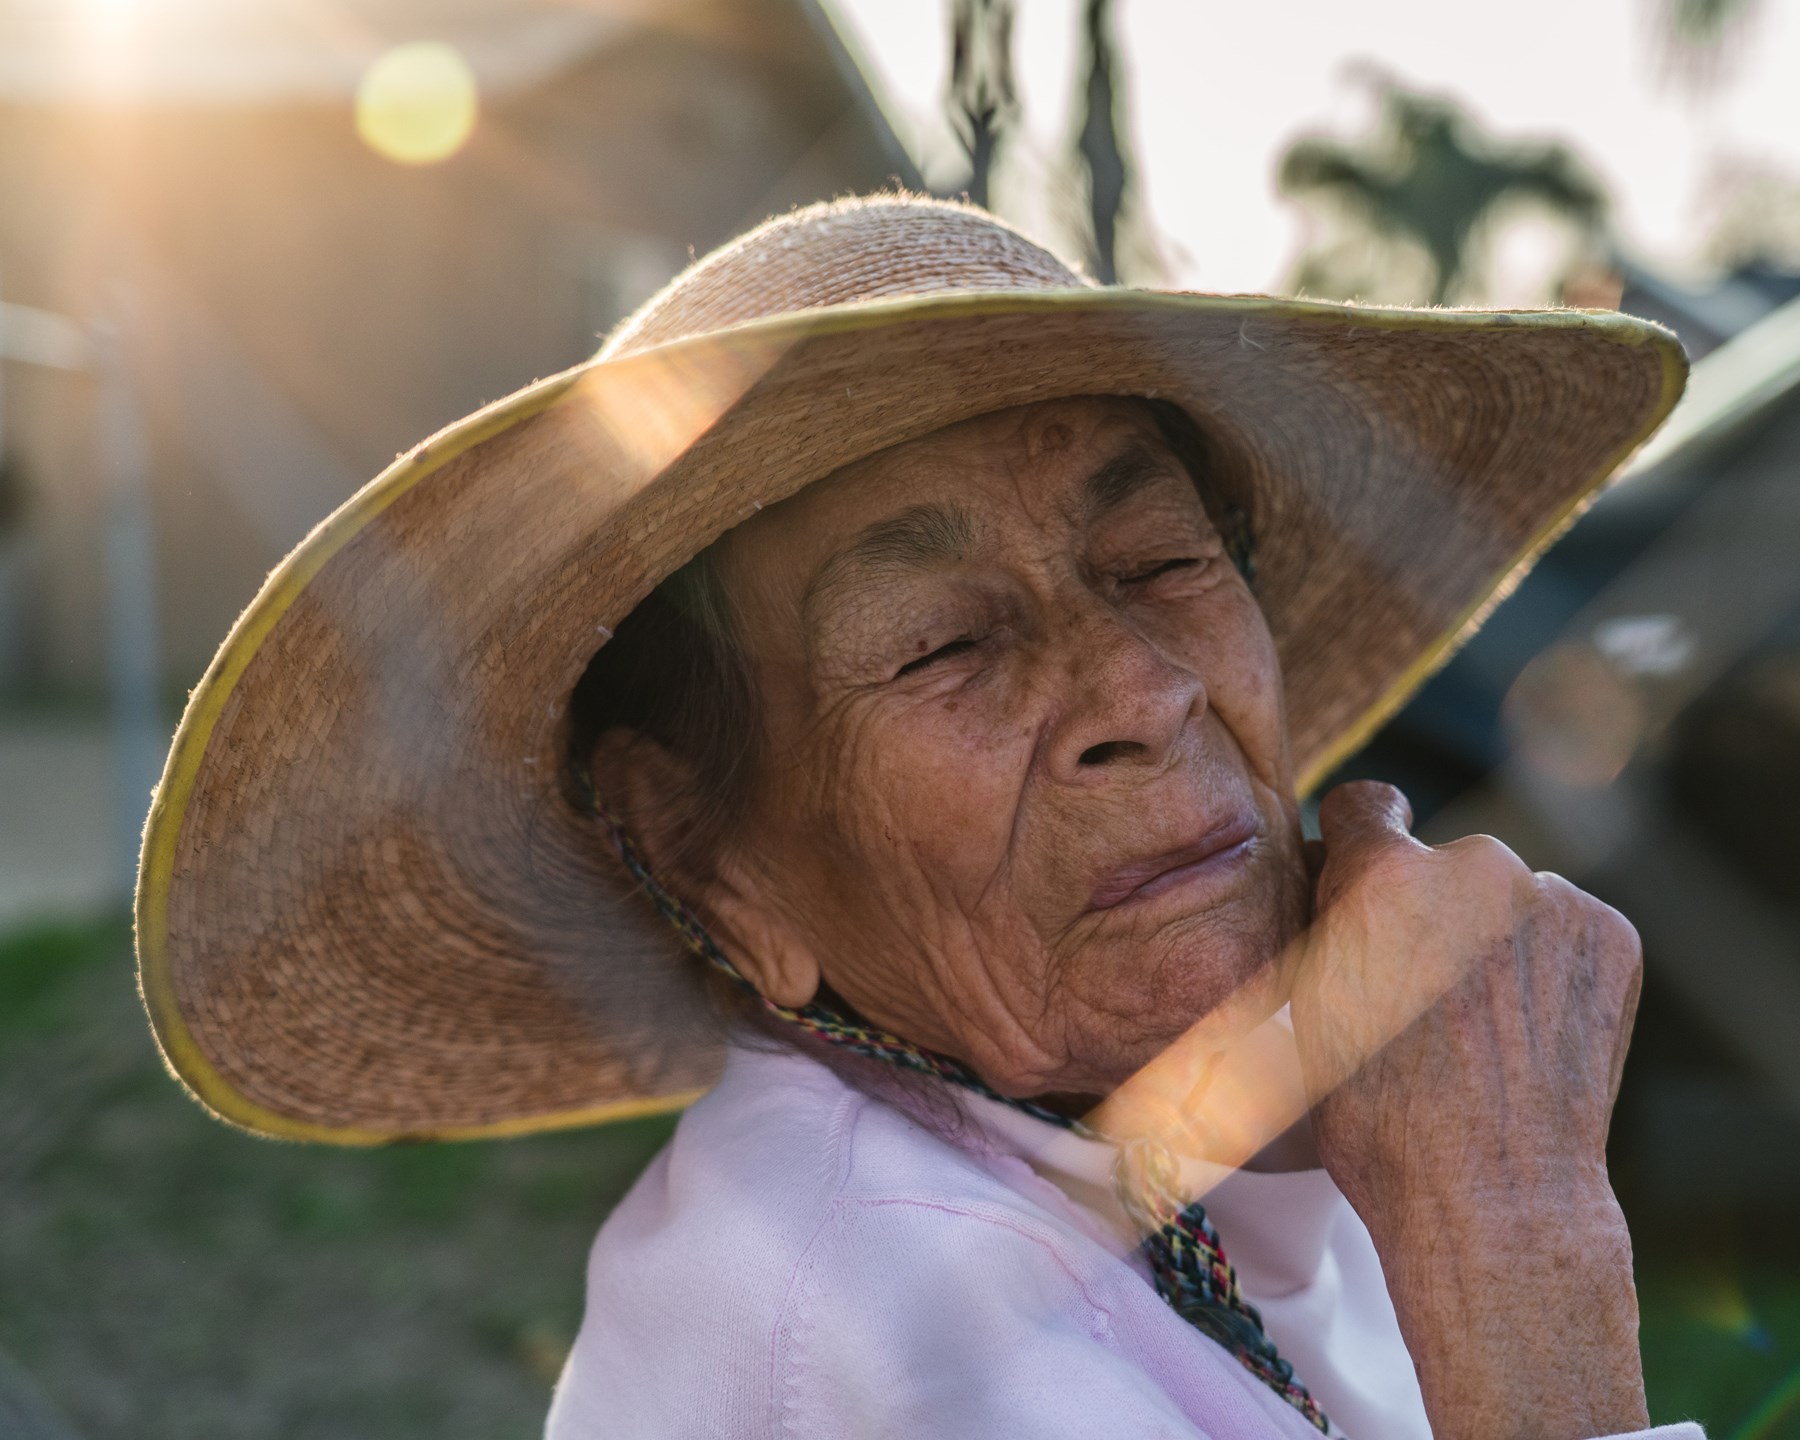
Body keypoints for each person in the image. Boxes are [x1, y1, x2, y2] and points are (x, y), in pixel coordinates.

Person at [137, 195, 1699, 1439]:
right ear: (712, 862)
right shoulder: (875, 1335)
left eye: (1157, 561)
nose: (1141, 695)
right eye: (942, 646)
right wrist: (1518, 1239)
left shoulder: (1166, 1156)